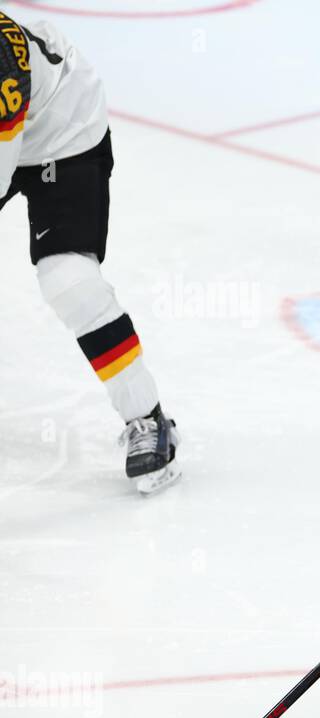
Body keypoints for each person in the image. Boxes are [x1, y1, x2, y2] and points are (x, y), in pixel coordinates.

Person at [1, 12, 179, 493]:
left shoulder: (2, 65)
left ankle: (147, 418)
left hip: (65, 135)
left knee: (69, 280)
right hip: (16, 130)